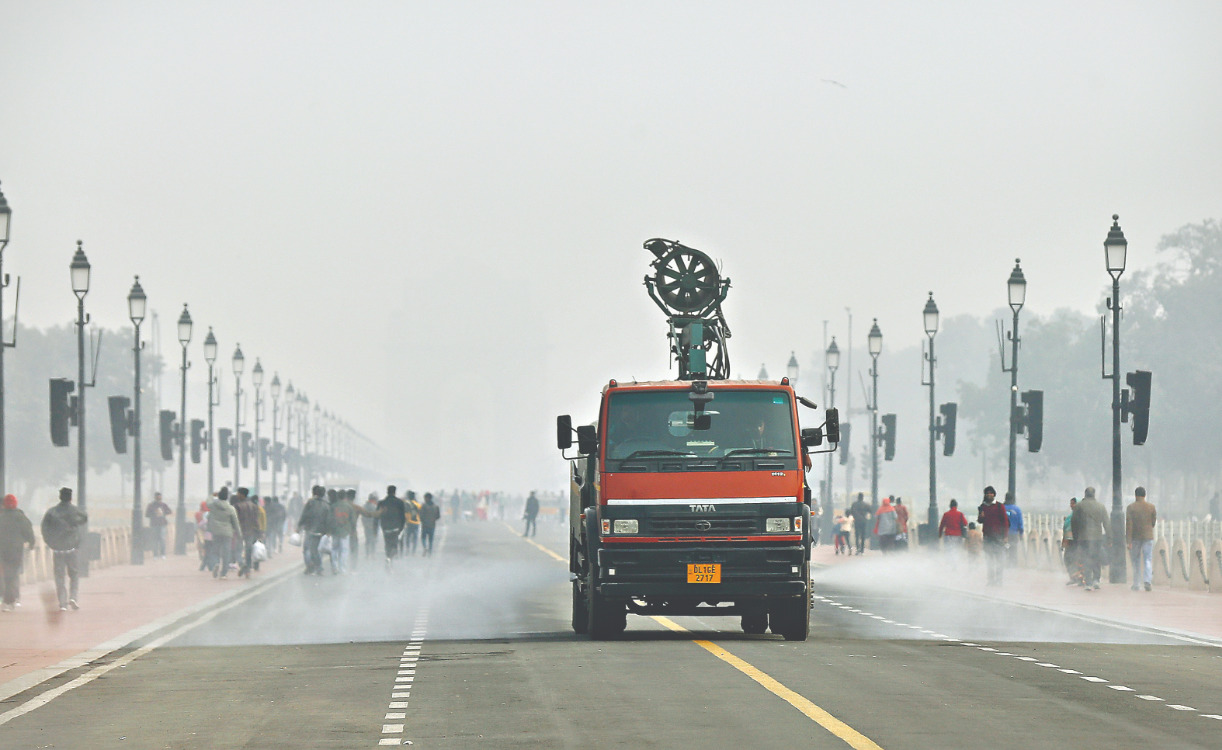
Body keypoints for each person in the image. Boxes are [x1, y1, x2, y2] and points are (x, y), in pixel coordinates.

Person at [40, 488, 88, 610]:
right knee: (74, 574)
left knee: (59, 576)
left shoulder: (52, 512)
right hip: (71, 548)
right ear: (70, 498)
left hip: (57, 549)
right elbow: (84, 518)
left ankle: (62, 602)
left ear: (60, 497)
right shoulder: (75, 511)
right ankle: (73, 597)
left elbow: (44, 528)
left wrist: (50, 542)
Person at [0, 494, 36, 611]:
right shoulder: (21, 517)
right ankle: (12, 599)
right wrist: (31, 543)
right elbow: (28, 531)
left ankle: (9, 600)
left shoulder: (1, 517)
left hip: (3, 550)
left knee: (7, 574)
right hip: (16, 550)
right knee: (13, 573)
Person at [1071, 486, 1110, 591]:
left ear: (1085, 494)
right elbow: (1106, 523)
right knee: (1096, 558)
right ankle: (1096, 580)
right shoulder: (1101, 507)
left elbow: (1074, 522)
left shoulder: (1079, 506)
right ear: (1094, 494)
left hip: (1084, 537)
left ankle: (1088, 582)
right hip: (1097, 537)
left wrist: (1075, 537)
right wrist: (1109, 538)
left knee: (1086, 558)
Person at [1126, 486, 1157, 592]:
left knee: (1136, 560)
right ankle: (1147, 581)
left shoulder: (1131, 508)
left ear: (1136, 495)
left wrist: (1128, 541)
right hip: (1148, 536)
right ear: (1145, 495)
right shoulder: (1151, 507)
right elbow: (1153, 522)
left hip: (1135, 537)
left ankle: (1136, 583)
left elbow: (1129, 525)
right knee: (1148, 559)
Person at [977, 486, 1009, 586]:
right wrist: (981, 517)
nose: (989, 495)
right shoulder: (983, 507)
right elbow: (980, 521)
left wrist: (1005, 536)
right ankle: (991, 581)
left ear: (994, 494)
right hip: (987, 538)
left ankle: (999, 581)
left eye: (991, 493)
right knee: (989, 561)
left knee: (1000, 561)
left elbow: (1005, 522)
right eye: (987, 493)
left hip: (998, 537)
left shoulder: (999, 506)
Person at [207, 488, 241, 579]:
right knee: (226, 553)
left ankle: (216, 563)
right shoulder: (230, 508)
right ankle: (223, 573)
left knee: (215, 550)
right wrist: (239, 534)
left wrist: (212, 495)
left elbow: (208, 502)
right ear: (227, 497)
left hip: (216, 531)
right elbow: (235, 522)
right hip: (227, 533)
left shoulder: (213, 506)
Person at [297, 486, 330, 575]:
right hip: (320, 531)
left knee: (307, 549)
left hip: (309, 529)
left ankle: (310, 566)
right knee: (316, 550)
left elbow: (304, 515)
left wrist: (299, 526)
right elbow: (328, 519)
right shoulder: (327, 505)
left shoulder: (310, 503)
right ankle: (319, 568)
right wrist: (328, 531)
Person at [233, 488, 261, 578]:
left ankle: (242, 564)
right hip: (251, 531)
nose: (237, 495)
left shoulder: (237, 506)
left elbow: (235, 520)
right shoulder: (254, 506)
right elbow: (256, 520)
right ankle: (247, 570)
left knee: (238, 550)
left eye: (238, 493)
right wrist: (259, 531)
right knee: (248, 550)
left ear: (242, 495)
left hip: (240, 531)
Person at [328, 489, 355, 574]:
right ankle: (343, 569)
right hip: (345, 531)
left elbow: (329, 519)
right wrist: (352, 530)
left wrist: (329, 530)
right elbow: (352, 520)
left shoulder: (333, 506)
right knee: (344, 550)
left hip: (335, 531)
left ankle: (334, 567)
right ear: (345, 497)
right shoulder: (349, 507)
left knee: (334, 549)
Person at [144, 492, 172, 559]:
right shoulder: (151, 505)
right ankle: (155, 555)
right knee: (155, 539)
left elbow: (169, 511)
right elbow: (147, 514)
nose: (159, 499)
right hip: (154, 524)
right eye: (158, 497)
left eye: (160, 497)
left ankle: (163, 554)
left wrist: (163, 513)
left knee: (162, 539)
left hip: (162, 524)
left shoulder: (163, 505)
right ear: (155, 497)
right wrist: (154, 514)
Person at [1062, 498, 1083, 586]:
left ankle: (1079, 578)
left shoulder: (1078, 516)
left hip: (1075, 541)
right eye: (1070, 503)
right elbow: (1066, 529)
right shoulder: (1071, 516)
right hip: (1069, 540)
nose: (1071, 505)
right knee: (1068, 559)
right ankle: (1073, 577)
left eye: (1073, 503)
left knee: (1075, 559)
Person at [1004, 492, 1024, 566]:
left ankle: (1004, 564)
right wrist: (1021, 534)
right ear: (1013, 499)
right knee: (1013, 549)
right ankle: (1013, 564)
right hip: (1014, 534)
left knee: (1003, 549)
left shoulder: (1002, 508)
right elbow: (1020, 523)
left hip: (1003, 534)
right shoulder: (1017, 509)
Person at [362, 492, 380, 558]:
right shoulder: (375, 507)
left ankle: (367, 554)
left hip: (367, 526)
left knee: (368, 540)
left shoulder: (364, 506)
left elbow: (363, 517)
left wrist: (365, 525)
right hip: (373, 526)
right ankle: (373, 554)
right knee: (373, 541)